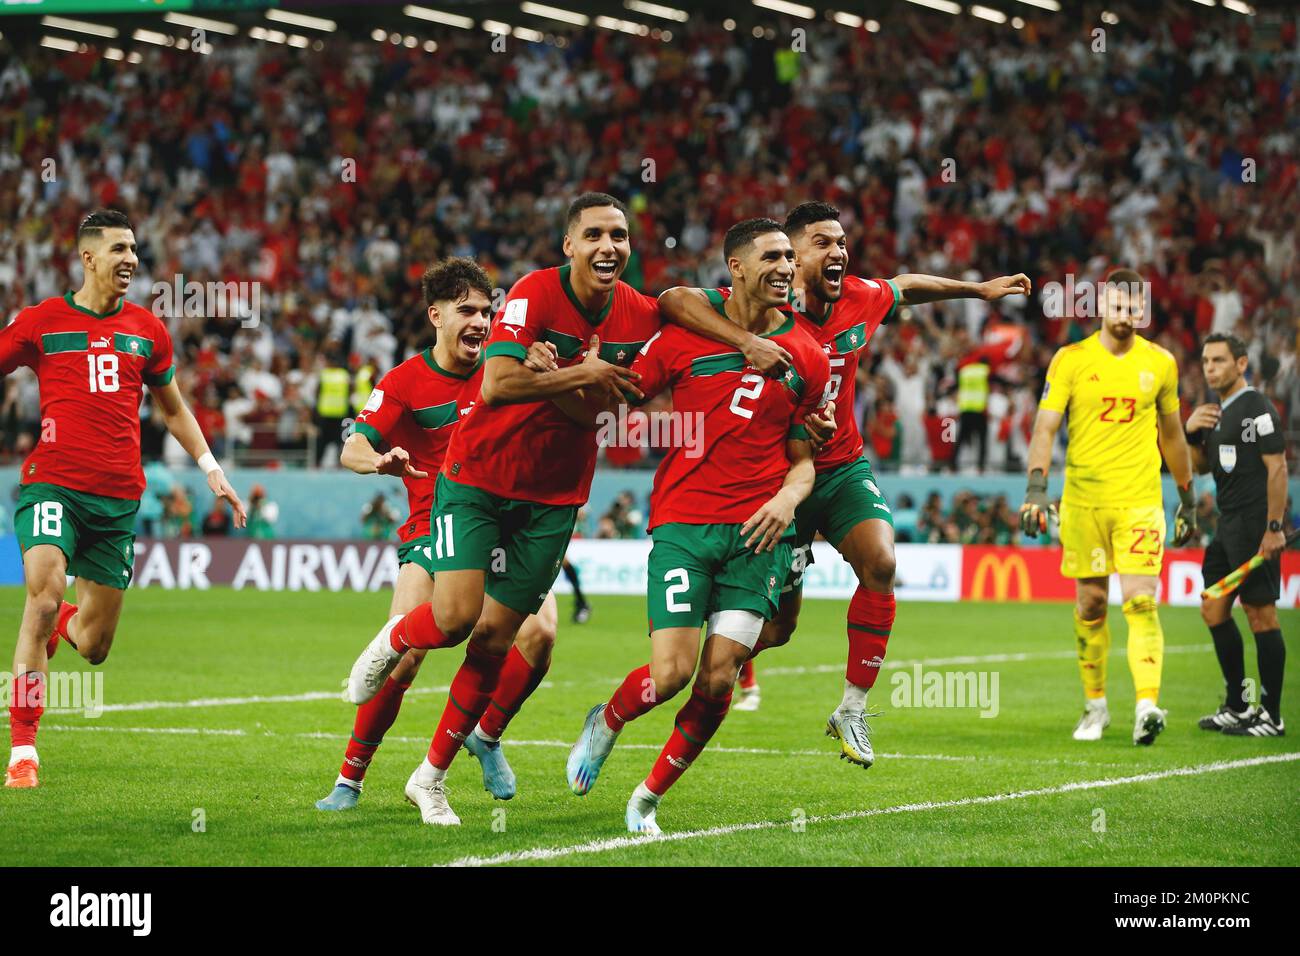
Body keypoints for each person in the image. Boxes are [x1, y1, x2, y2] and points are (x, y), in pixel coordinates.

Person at [341, 193, 792, 826]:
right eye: (595, 235)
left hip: (554, 498)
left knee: (501, 639)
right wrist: (582, 373)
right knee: (451, 619)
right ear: (569, 246)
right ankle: (393, 641)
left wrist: (601, 382)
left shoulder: (643, 313)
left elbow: (665, 334)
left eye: (621, 235)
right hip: (479, 477)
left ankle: (431, 776)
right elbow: (498, 386)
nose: (610, 246)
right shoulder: (534, 292)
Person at [659, 200, 1029, 767]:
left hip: (840, 468)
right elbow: (675, 301)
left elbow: (906, 285)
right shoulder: (762, 310)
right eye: (823, 244)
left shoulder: (859, 296)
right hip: (776, 476)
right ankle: (717, 661)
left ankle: (851, 708)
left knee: (880, 564)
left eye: (841, 242)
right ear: (792, 254)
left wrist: (977, 291)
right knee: (780, 628)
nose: (838, 253)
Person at [564, 218, 830, 834]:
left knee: (717, 678)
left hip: (757, 538)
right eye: (772, 257)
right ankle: (607, 719)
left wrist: (790, 501)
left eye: (791, 257)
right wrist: (582, 371)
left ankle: (647, 798)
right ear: (735, 267)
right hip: (683, 524)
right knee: (671, 674)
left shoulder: (809, 357)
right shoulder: (684, 337)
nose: (787, 267)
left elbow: (803, 460)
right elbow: (619, 396)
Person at [2, 210, 245, 789]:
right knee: (39, 598)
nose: (131, 258)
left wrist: (213, 469)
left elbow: (174, 408)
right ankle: (23, 752)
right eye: (118, 249)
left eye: (134, 248)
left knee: (93, 646)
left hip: (117, 501)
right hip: (52, 482)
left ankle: (62, 620)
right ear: (88, 258)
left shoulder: (148, 331)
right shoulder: (41, 322)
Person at [316, 257, 560, 811]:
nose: (480, 321)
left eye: (486, 311)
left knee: (540, 636)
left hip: (502, 523)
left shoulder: (506, 364)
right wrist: (379, 461)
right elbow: (352, 445)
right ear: (436, 315)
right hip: (432, 527)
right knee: (405, 655)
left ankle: (486, 734)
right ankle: (350, 778)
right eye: (467, 311)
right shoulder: (405, 381)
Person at [1020, 269, 1198, 746]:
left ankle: (1146, 706)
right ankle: (1096, 707)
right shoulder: (1070, 360)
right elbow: (1044, 428)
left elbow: (1174, 436)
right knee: (1092, 603)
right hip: (1084, 502)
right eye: (1117, 306)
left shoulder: (1161, 363)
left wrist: (1189, 497)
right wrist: (1037, 489)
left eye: (1133, 307)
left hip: (1140, 501)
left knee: (1140, 600)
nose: (1126, 315)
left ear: (1142, 310)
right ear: (1102, 306)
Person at [1189, 333, 1288, 737]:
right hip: (1226, 528)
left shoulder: (1257, 408)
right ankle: (1236, 705)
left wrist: (1274, 527)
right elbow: (1198, 467)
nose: (1210, 367)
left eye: (1219, 360)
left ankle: (1271, 715)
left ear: (1241, 364)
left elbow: (1277, 468)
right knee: (1213, 609)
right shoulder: (1215, 413)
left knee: (1260, 615)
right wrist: (1191, 430)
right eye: (1206, 361)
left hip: (1254, 525)